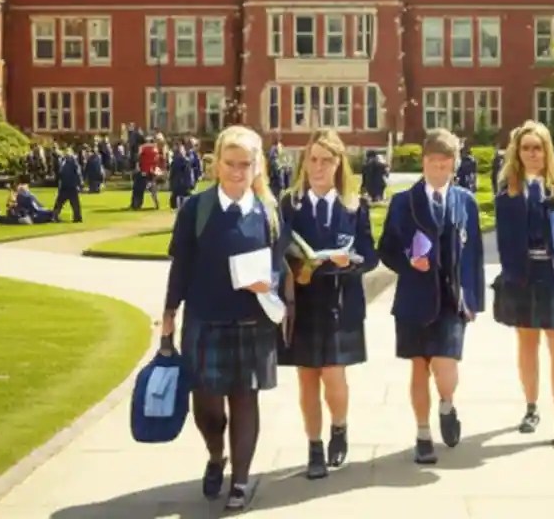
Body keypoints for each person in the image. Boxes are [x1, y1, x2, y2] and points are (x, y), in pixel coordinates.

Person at [160, 126, 285, 512]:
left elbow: (278, 265)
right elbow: (181, 266)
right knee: (208, 410)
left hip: (251, 322)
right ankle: (217, 456)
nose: (237, 171)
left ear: (256, 166)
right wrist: (169, 314)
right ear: (216, 164)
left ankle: (241, 482)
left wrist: (269, 282)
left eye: (245, 164)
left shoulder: (268, 212)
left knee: (245, 400)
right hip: (205, 321)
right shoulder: (196, 210)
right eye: (230, 163)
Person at [377, 128, 485, 465]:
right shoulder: (403, 202)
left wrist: (474, 299)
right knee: (419, 367)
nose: (439, 168)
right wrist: (407, 262)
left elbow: (474, 255)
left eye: (445, 162)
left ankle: (447, 404)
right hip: (415, 295)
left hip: (452, 298)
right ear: (424, 162)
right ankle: (423, 434)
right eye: (433, 161)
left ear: (454, 164)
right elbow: (387, 249)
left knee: (445, 365)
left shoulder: (465, 201)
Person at [276, 129, 379, 479]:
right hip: (302, 303)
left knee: (334, 376)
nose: (318, 167)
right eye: (313, 159)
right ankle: (314, 447)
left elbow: (370, 255)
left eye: (326, 160)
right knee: (307, 378)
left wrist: (350, 261)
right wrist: (296, 267)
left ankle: (339, 426)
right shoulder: (289, 204)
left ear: (339, 164)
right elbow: (278, 252)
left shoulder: (354, 205)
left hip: (341, 301)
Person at [492, 120, 554, 450]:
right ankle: (531, 407)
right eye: (526, 148)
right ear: (517, 152)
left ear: (547, 151)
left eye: (537, 148)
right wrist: (509, 275)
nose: (532, 153)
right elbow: (504, 240)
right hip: (522, 276)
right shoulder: (508, 190)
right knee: (527, 344)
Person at [52, 150, 83, 223]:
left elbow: (60, 174)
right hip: (71, 186)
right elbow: (78, 174)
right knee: (75, 203)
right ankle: (77, 217)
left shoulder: (64, 163)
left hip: (65, 186)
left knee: (59, 202)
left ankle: (55, 216)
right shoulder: (73, 163)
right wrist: (79, 183)